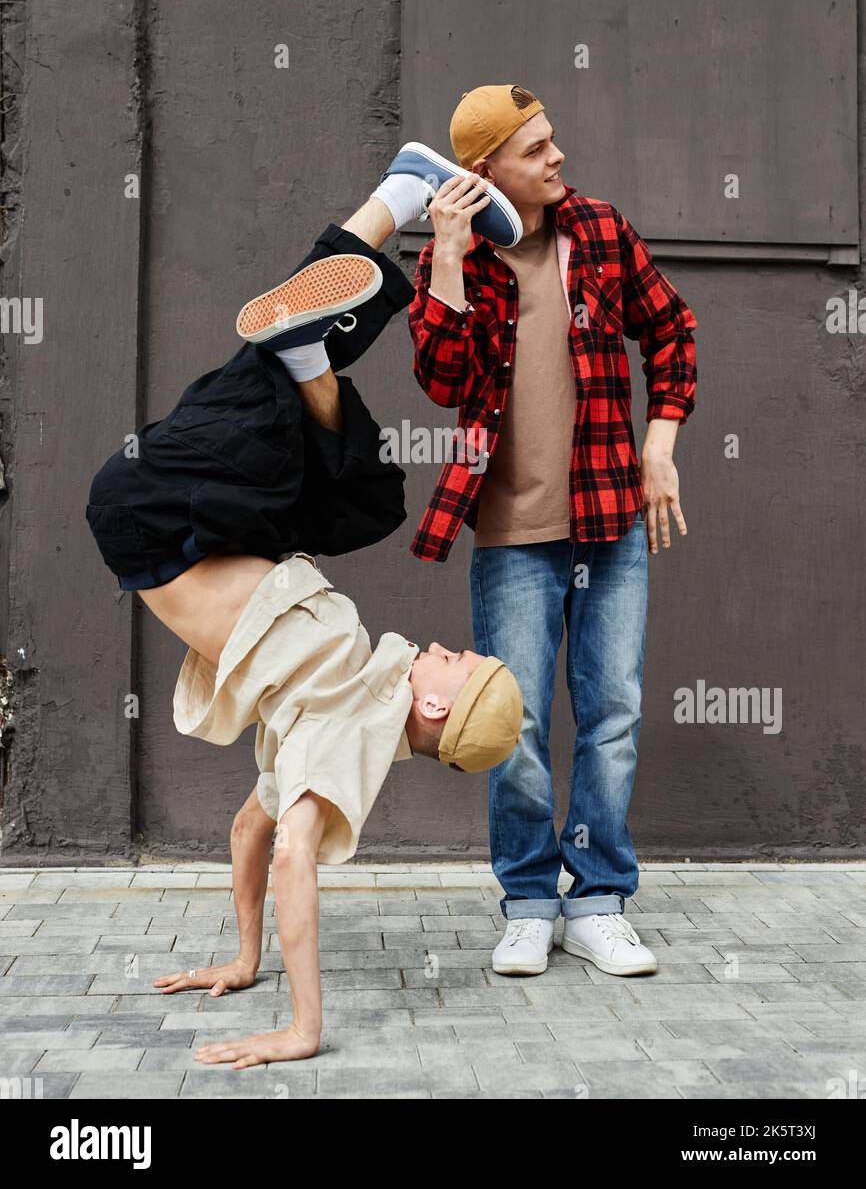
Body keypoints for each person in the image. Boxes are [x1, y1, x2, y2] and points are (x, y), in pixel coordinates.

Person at [85, 189, 523, 1068]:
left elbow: (292, 856)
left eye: (467, 663)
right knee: (360, 492)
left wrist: (302, 1027)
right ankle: (328, 314)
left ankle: (367, 246)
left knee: (268, 384)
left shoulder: (344, 739)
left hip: (153, 515)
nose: (458, 647)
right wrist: (245, 960)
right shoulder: (353, 696)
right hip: (208, 524)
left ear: (438, 705)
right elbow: (254, 831)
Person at [379, 84, 698, 978]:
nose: (557, 158)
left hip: (611, 520)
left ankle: (597, 900)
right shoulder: (467, 261)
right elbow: (441, 379)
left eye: (554, 140)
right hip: (513, 534)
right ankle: (527, 901)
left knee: (613, 713)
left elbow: (672, 329)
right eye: (537, 149)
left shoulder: (599, 228)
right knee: (511, 724)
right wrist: (443, 252)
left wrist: (660, 441)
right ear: (485, 173)